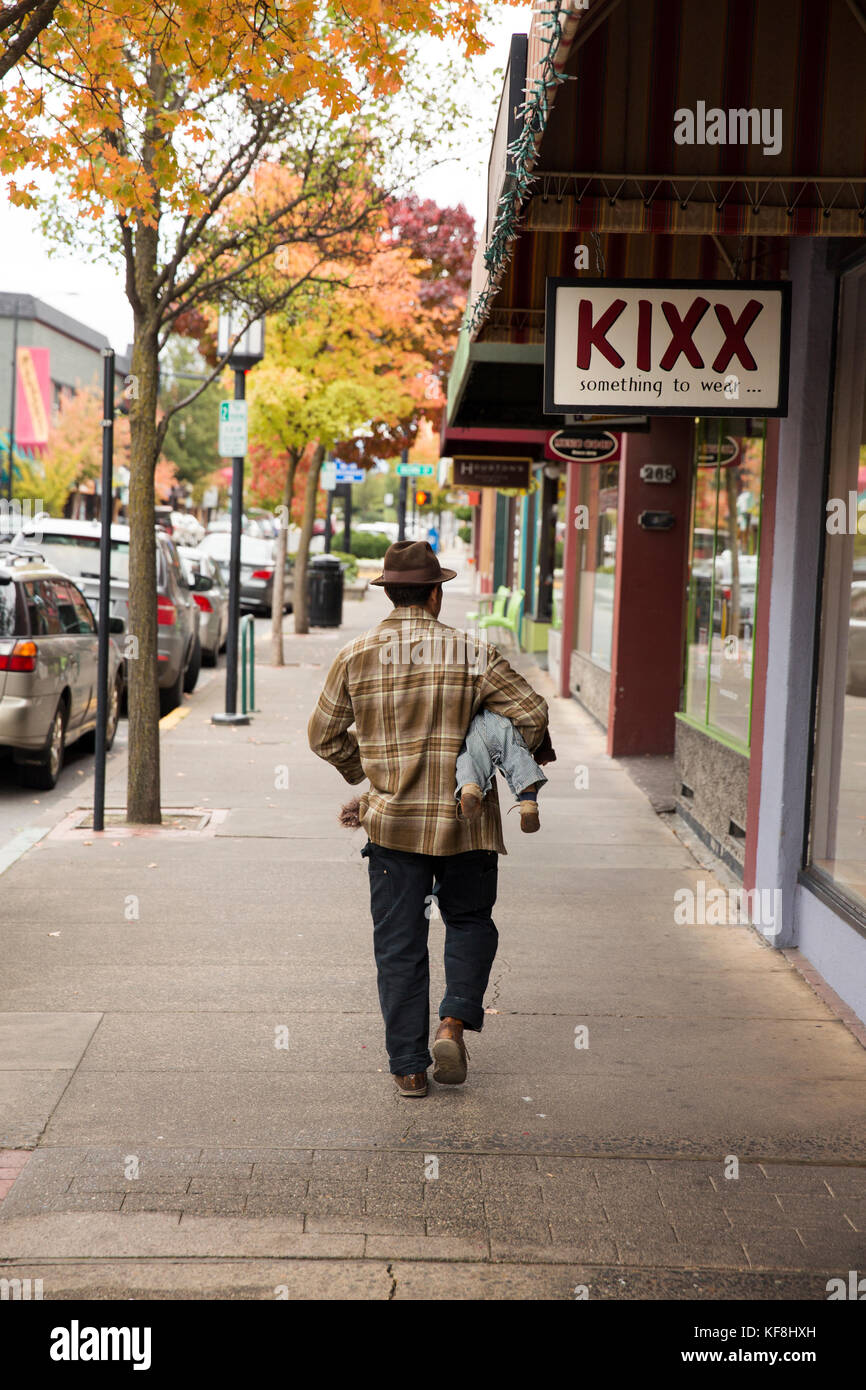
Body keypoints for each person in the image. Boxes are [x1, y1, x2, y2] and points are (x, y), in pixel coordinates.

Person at [308, 539, 553, 1099]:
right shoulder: (473, 652)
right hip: (468, 825)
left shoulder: (357, 654)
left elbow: (322, 736)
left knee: (399, 941)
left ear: (389, 593)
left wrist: (370, 774)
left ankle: (410, 1068)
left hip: (393, 824)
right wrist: (490, 750)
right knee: (468, 921)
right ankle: (452, 1024)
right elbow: (532, 714)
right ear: (437, 593)